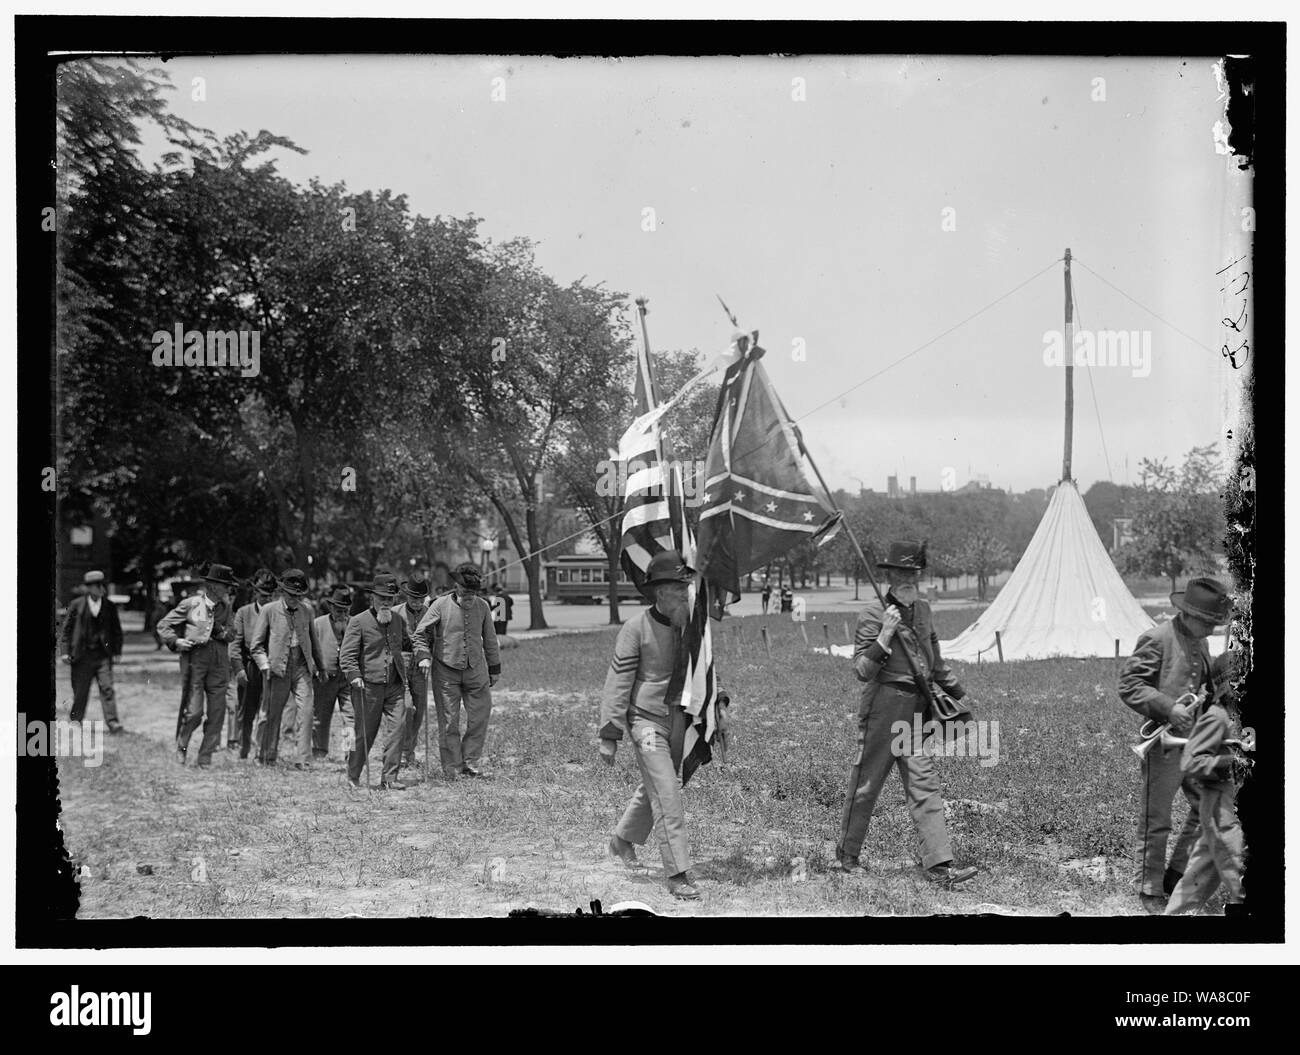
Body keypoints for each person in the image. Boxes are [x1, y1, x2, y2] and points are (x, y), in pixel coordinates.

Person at [837, 540, 978, 887]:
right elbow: (862, 670)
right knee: (868, 783)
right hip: (884, 706)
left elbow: (936, 662)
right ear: (888, 575)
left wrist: (960, 695)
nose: (907, 578)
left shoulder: (924, 610)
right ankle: (847, 854)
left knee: (923, 783)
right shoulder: (873, 613)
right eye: (900, 572)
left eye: (912, 572)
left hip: (918, 711)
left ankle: (940, 865)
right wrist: (885, 633)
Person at [1120, 576, 1230, 913]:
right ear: (1187, 614)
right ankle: (1149, 887)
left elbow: (1205, 686)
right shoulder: (1156, 639)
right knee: (1157, 820)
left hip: (1196, 743)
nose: (1212, 630)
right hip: (1164, 745)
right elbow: (1129, 685)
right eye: (1208, 623)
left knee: (1206, 809)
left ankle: (1175, 873)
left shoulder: (1202, 642)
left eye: (1215, 624)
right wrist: (1169, 707)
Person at [600, 550, 701, 900]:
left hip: (681, 721)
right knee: (667, 793)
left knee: (656, 786)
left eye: (687, 586)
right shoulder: (635, 629)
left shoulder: (691, 625)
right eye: (678, 588)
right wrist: (609, 734)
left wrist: (719, 703)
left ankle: (621, 840)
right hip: (645, 723)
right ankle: (678, 874)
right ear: (659, 591)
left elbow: (704, 669)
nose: (685, 593)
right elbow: (618, 682)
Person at [1166, 649, 1250, 914]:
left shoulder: (1238, 715)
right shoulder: (1217, 716)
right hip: (1220, 810)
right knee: (1240, 872)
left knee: (1199, 876)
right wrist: (1229, 762)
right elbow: (1190, 762)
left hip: (1224, 806)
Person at [414, 561, 501, 780]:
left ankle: (470, 762)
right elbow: (420, 634)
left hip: (476, 670)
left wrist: (494, 667)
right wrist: (424, 656)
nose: (469, 595)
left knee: (480, 716)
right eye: (465, 591)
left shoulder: (482, 606)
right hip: (446, 671)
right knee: (449, 720)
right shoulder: (439, 605)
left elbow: (490, 638)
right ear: (456, 587)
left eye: (473, 592)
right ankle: (452, 767)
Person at [341, 572, 416, 790]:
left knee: (397, 730)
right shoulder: (358, 621)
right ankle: (352, 775)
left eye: (390, 598)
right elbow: (347, 655)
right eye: (382, 597)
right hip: (367, 687)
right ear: (372, 597)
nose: (386, 602)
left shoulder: (398, 620)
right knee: (364, 733)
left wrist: (423, 650)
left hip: (394, 685)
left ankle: (389, 778)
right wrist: (354, 676)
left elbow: (407, 644)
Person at [157, 562, 238, 768]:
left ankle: (205, 757)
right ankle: (182, 746)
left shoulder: (226, 608)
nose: (227, 589)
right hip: (195, 662)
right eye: (224, 585)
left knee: (217, 712)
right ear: (212, 586)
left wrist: (220, 632)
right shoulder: (191, 604)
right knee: (194, 712)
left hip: (219, 663)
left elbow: (231, 633)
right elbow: (163, 625)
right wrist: (176, 641)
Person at [250, 569, 324, 769]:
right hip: (277, 669)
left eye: (299, 596)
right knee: (272, 714)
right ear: (282, 592)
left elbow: (314, 641)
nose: (295, 599)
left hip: (301, 667)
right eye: (291, 595)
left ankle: (303, 759)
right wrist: (265, 665)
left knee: (307, 712)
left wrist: (320, 666)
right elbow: (255, 645)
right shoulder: (270, 610)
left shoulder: (307, 610)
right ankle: (266, 756)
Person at [60, 570, 125, 733]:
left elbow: (116, 630)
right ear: (89, 588)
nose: (102, 589)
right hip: (82, 656)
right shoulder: (77, 605)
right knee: (81, 690)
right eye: (98, 586)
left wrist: (117, 651)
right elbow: (66, 630)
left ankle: (113, 723)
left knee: (107, 688)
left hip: (103, 655)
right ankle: (76, 721)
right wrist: (64, 651)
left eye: (102, 585)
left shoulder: (109, 606)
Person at [228, 568, 276, 760]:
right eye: (263, 595)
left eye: (270, 596)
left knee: (268, 711)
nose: (266, 599)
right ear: (255, 593)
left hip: (271, 667)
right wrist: (239, 669)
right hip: (249, 667)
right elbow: (235, 644)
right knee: (247, 711)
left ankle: (262, 751)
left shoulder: (277, 612)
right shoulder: (244, 612)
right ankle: (244, 748)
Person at [311, 584, 356, 764]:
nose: (342, 614)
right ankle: (319, 751)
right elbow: (312, 649)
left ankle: (349, 752)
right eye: (338, 610)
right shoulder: (318, 624)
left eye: (345, 610)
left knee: (351, 715)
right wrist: (316, 669)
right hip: (324, 678)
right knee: (321, 715)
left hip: (348, 678)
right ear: (331, 607)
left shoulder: (354, 623)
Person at [393, 573, 431, 776]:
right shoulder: (395, 613)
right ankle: (400, 751)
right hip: (401, 666)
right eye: (413, 598)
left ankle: (410, 752)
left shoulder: (431, 613)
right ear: (406, 596)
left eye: (420, 599)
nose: (416, 602)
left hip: (422, 667)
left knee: (419, 711)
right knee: (406, 708)